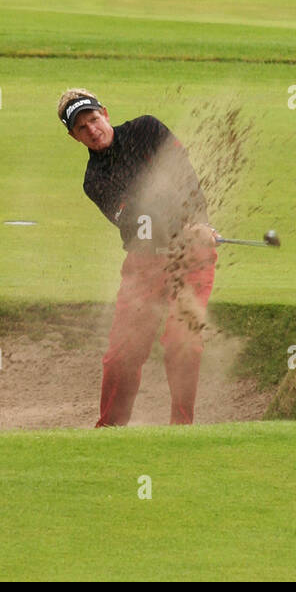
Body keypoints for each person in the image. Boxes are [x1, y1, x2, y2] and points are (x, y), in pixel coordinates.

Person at [59, 89, 218, 428]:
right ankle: (111, 431)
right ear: (74, 136)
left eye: (94, 119)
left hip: (192, 257)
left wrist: (200, 221)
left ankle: (181, 428)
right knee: (121, 356)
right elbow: (135, 221)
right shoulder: (95, 180)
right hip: (144, 265)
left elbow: (183, 172)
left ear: (105, 112)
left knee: (182, 340)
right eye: (82, 127)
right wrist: (172, 225)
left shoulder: (146, 129)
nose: (92, 129)